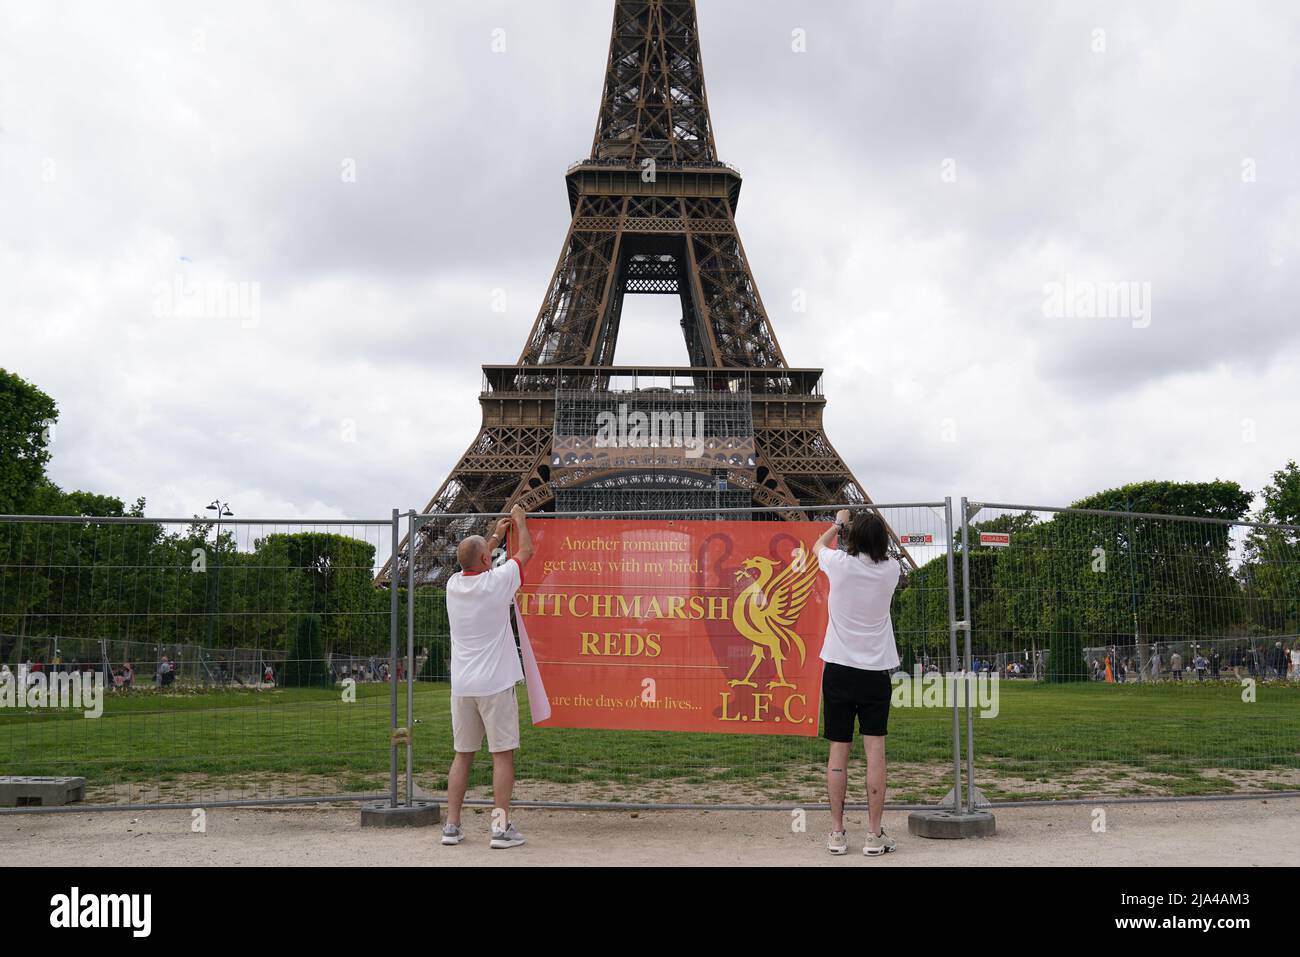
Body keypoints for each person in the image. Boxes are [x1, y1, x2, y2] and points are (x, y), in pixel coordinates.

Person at [441, 504, 533, 850]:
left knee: (462, 755)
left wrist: (494, 534)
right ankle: (499, 827)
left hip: (462, 686)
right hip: (495, 684)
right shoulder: (498, 582)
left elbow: (474, 560)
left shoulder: (452, 586)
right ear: (486, 561)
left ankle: (451, 825)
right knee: (501, 756)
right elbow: (526, 552)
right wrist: (520, 523)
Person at [813, 508, 902, 857]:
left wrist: (839, 524)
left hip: (838, 667)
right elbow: (887, 547)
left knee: (838, 750)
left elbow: (816, 545)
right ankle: (873, 834)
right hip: (876, 671)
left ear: (852, 537)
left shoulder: (839, 564)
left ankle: (837, 833)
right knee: (874, 752)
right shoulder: (891, 570)